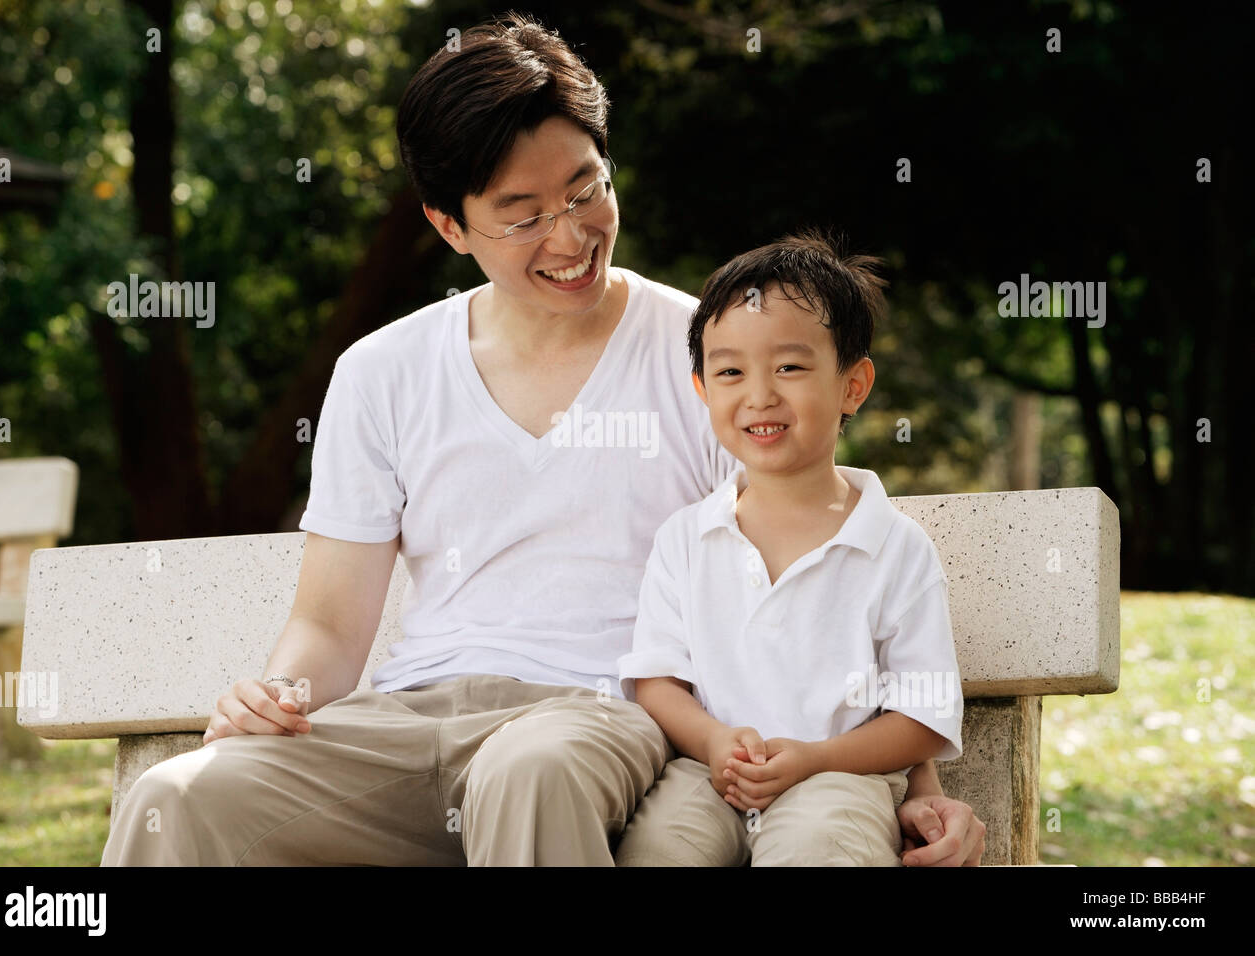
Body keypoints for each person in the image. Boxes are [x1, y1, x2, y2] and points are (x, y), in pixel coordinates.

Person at [100, 12, 984, 867]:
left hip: (596, 718)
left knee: (528, 774)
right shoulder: (383, 371)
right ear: (449, 226)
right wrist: (278, 692)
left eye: (585, 189)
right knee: (170, 802)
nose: (570, 236)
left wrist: (917, 784)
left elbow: (816, 572)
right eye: (522, 214)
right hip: (410, 721)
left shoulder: (711, 361)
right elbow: (329, 629)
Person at [614, 231, 963, 866]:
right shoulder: (685, 537)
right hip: (708, 773)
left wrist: (815, 758)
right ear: (702, 390)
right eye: (730, 371)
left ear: (853, 386)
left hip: (841, 780)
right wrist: (716, 742)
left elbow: (921, 716)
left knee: (818, 848)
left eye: (790, 367)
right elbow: (657, 680)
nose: (760, 394)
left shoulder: (896, 546)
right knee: (658, 846)